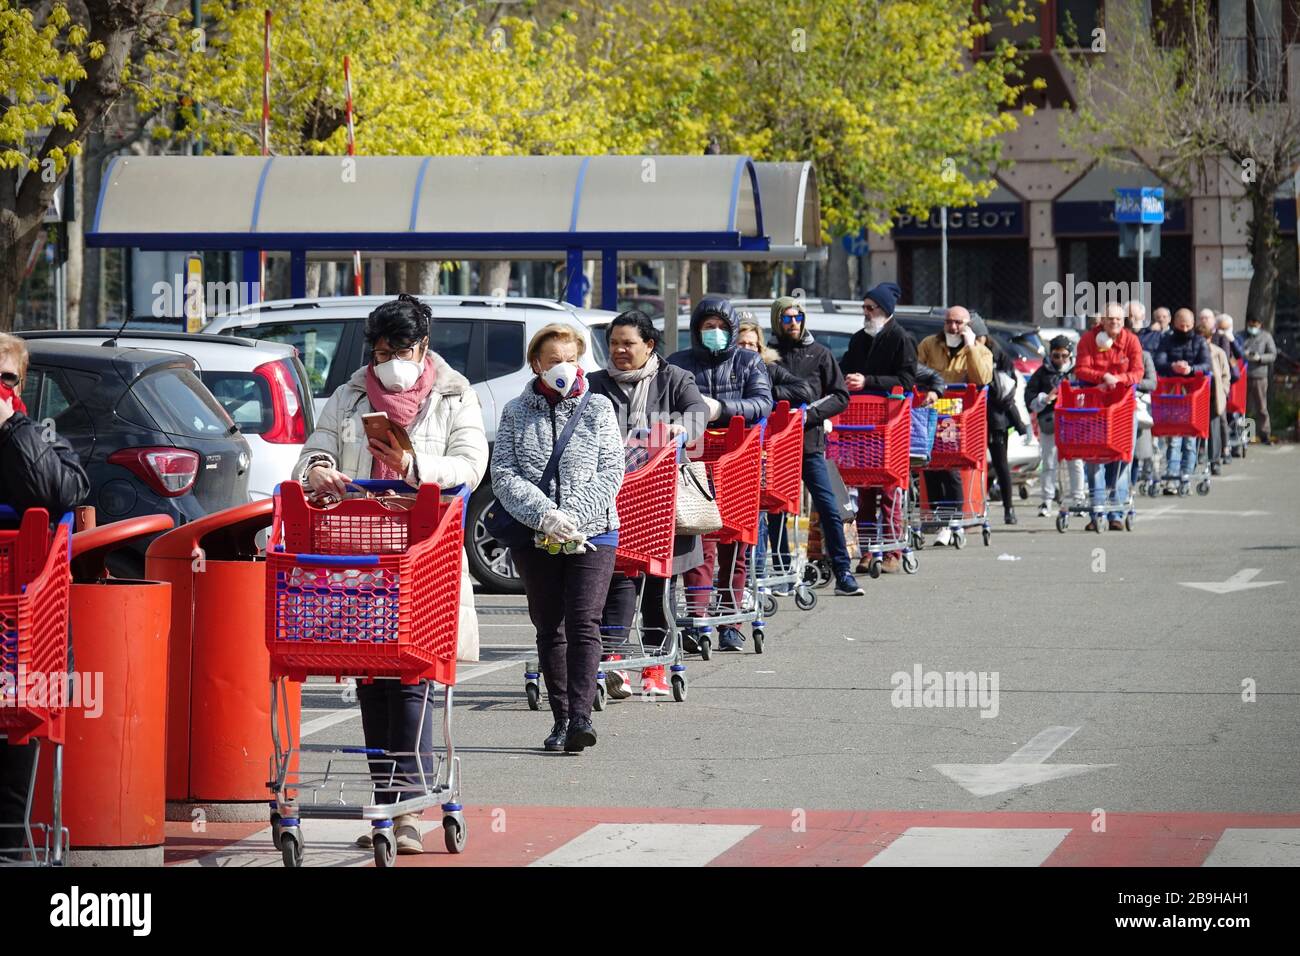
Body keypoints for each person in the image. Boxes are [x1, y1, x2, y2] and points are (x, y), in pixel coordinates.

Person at [294, 294, 488, 853]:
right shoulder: (350, 394)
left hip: (424, 553)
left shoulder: (454, 394)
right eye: (380, 350)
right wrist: (320, 469)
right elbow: (316, 449)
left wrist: (413, 468)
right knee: (371, 677)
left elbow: (471, 466)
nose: (390, 361)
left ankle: (406, 810)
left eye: (400, 350)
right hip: (358, 555)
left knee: (411, 675)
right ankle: (386, 802)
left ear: (422, 347)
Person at [493, 323, 623, 752]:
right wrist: (545, 515)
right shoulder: (515, 411)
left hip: (593, 532)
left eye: (571, 359)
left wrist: (573, 515)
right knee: (550, 625)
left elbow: (611, 472)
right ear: (537, 365)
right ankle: (561, 717)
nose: (564, 368)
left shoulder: (599, 408)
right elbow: (504, 475)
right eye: (554, 361)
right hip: (537, 535)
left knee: (584, 621)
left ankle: (582, 716)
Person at [0, 333, 90, 861]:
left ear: (22, 384)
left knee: (16, 728)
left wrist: (10, 428)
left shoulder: (36, 436)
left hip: (20, 631)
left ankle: (10, 846)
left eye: (5, 378)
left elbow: (57, 493)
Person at [589, 311, 709, 698]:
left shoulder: (674, 379)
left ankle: (655, 667)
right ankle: (615, 664)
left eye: (628, 343)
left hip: (659, 500)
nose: (620, 351)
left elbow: (698, 414)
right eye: (614, 344)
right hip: (610, 499)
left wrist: (682, 429)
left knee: (659, 586)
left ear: (649, 345)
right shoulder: (595, 385)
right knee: (619, 580)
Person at [669, 297, 774, 651]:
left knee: (736, 542)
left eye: (720, 327)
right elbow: (665, 403)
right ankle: (698, 619)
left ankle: (730, 618)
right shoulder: (678, 363)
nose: (714, 333)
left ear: (731, 329)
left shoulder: (748, 361)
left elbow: (762, 403)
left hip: (737, 463)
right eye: (707, 327)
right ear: (697, 330)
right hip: (695, 464)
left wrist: (721, 409)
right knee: (698, 537)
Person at [768, 297, 862, 594]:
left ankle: (843, 571)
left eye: (797, 317)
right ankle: (782, 572)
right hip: (775, 445)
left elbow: (840, 395)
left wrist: (810, 414)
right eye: (786, 318)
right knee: (776, 510)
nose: (793, 323)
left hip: (810, 444)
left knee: (829, 506)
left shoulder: (820, 354)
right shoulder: (767, 355)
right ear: (777, 321)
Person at [839, 283, 918, 572]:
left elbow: (907, 379)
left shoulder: (901, 338)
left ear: (885, 312)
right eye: (864, 307)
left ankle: (893, 552)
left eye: (870, 309)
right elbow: (844, 367)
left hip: (890, 422)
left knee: (889, 489)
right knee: (865, 487)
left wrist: (868, 381)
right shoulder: (860, 339)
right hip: (861, 422)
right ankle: (869, 550)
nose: (866, 313)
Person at [915, 305, 992, 545]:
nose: (953, 327)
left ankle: (952, 521)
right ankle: (938, 518)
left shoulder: (980, 350)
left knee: (951, 466)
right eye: (949, 322)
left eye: (959, 323)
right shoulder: (929, 344)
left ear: (968, 325)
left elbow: (982, 378)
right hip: (931, 414)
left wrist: (970, 348)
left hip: (959, 419)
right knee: (930, 465)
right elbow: (916, 372)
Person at [1074, 302, 1144, 529]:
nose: (1114, 323)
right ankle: (1097, 512)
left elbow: (1138, 372)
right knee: (1095, 459)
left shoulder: (1131, 341)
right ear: (1102, 321)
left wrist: (1119, 379)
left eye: (1118, 319)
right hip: (1095, 409)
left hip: (1123, 408)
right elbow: (1081, 369)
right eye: (1110, 319)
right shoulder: (1088, 340)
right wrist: (1103, 377)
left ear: (1123, 322)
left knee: (1122, 458)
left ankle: (1115, 512)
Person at [975, 319, 1030, 525]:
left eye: (976, 336)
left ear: (983, 336)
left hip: (995, 418)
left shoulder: (997, 356)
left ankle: (1009, 508)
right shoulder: (968, 353)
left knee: (1000, 464)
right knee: (976, 464)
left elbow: (1004, 392)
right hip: (979, 417)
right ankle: (979, 503)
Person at [1026, 336, 1086, 517]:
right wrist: (1044, 399)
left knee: (1075, 462)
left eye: (1064, 356)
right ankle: (1047, 500)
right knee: (1049, 461)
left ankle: (1078, 499)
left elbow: (1089, 390)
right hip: (1050, 421)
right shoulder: (1042, 373)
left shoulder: (1078, 371)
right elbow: (1029, 396)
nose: (1060, 360)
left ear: (1070, 355)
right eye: (1056, 356)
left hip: (1074, 422)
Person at [1154, 308, 1212, 494]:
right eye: (1181, 326)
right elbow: (1159, 362)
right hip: (1173, 396)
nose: (1185, 328)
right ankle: (1171, 478)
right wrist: (1173, 367)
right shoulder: (1167, 340)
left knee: (1190, 440)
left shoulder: (1199, 341)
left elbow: (1206, 365)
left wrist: (1190, 370)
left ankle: (1186, 477)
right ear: (1175, 325)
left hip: (1194, 397)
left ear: (1193, 324)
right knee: (1174, 438)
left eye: (1188, 325)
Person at [1197, 312, 1233, 476]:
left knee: (1214, 430)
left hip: (1213, 397)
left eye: (1204, 338)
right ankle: (1195, 458)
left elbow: (1226, 375)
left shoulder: (1218, 353)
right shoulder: (1194, 353)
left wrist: (1223, 391)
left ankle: (1215, 460)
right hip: (1195, 399)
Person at [1241, 315, 1277, 445]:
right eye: (1250, 325)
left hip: (1259, 375)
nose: (1252, 328)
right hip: (1242, 376)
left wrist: (1259, 358)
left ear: (1260, 325)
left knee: (1261, 407)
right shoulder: (1241, 335)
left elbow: (1273, 355)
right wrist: (1243, 354)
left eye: (1255, 326)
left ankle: (1265, 435)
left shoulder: (1266, 337)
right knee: (1243, 407)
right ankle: (1246, 435)